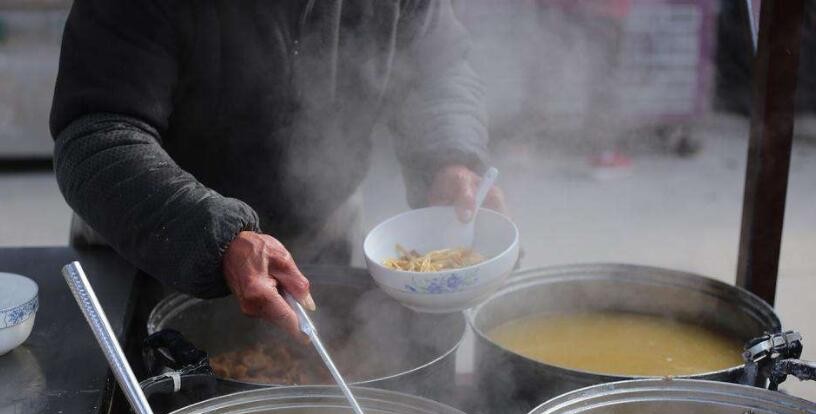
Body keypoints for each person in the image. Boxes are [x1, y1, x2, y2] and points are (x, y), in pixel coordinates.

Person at [50, 0, 505, 336]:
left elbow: (438, 69)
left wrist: (451, 156)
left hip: (318, 236)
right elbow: (96, 137)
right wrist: (217, 235)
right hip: (147, 245)